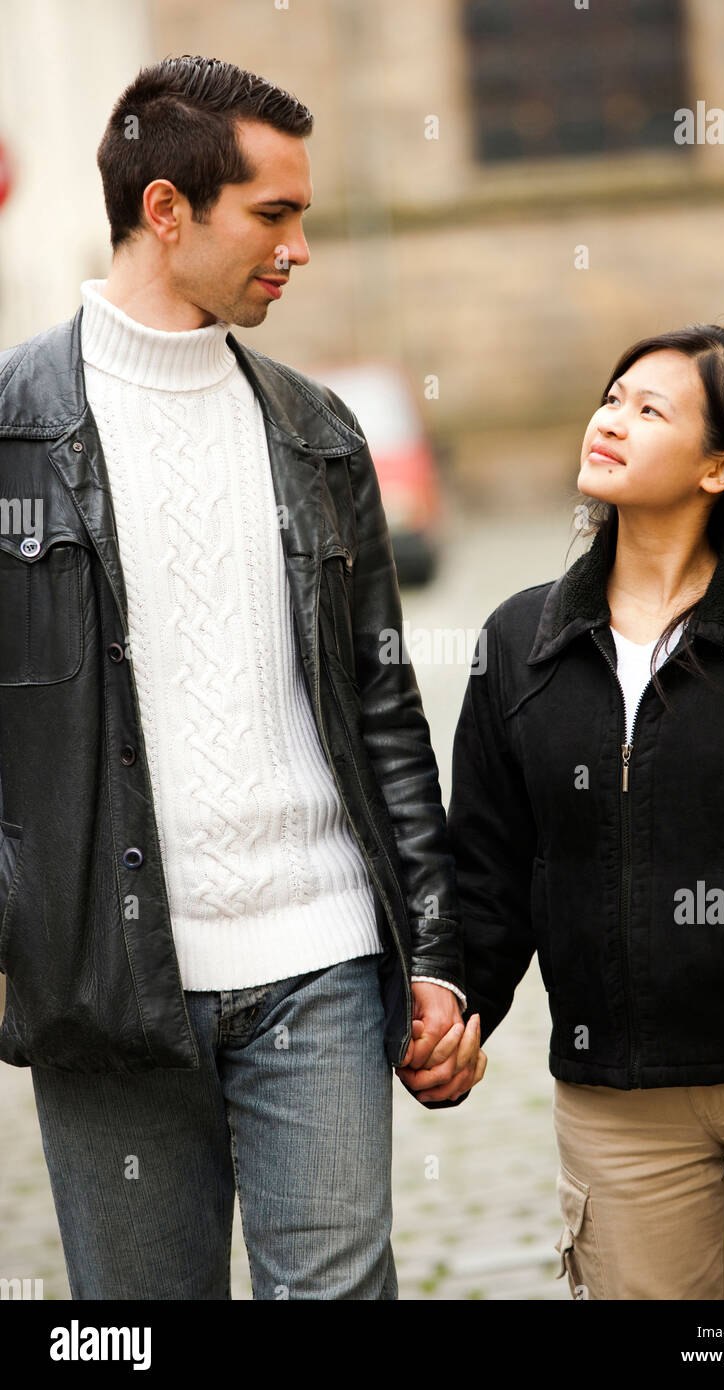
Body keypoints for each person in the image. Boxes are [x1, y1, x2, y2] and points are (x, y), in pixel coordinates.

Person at [0, 54, 483, 1301]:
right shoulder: (10, 434)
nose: (300, 247)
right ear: (167, 210)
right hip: (106, 983)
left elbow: (383, 707)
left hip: (317, 960)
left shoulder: (320, 432)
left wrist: (433, 954)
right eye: (273, 214)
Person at [438, 324, 724, 1299]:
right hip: (615, 1098)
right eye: (611, 396)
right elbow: (486, 867)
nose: (610, 421)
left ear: (721, 465)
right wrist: (461, 1001)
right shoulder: (520, 640)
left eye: (648, 408)